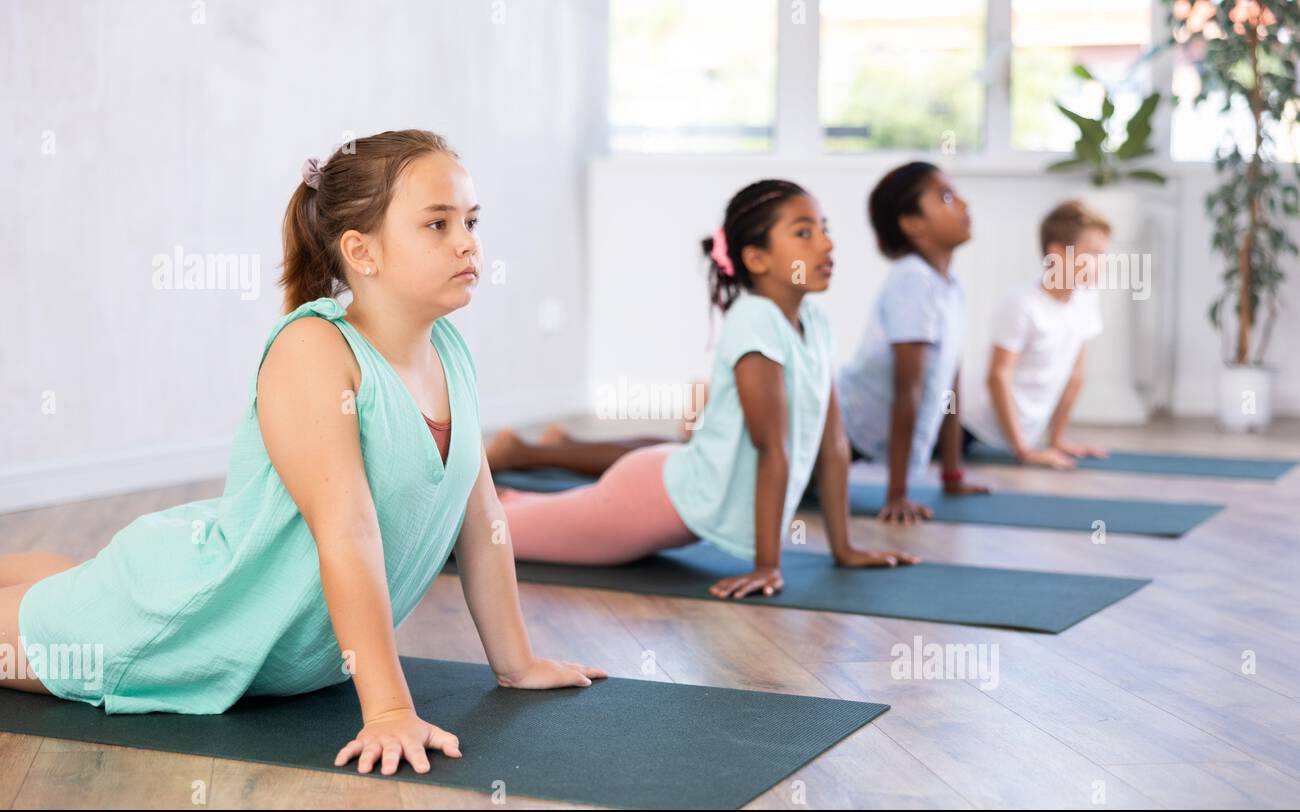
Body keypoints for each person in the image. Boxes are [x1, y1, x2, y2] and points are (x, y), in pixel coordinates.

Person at [0, 129, 605, 778]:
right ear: (361, 251)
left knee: (65, 582)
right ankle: (82, 598)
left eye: (471, 220)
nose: (467, 241)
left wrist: (517, 663)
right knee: (63, 606)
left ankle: (74, 588)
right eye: (437, 223)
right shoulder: (314, 350)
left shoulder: (450, 353)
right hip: (182, 629)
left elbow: (482, 524)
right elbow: (348, 530)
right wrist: (389, 709)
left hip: (284, 656)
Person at [494, 179, 919, 601]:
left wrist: (844, 550)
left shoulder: (816, 323)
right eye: (804, 232)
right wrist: (768, 565)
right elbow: (771, 447)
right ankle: (465, 497)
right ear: (756, 258)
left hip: (674, 484)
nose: (826, 244)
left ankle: (512, 497)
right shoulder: (755, 320)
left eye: (825, 228)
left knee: (522, 518)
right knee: (486, 538)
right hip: (651, 501)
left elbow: (834, 446)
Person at [836, 162, 990, 526]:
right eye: (947, 197)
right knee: (760, 476)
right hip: (833, 427)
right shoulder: (912, 282)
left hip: (856, 437)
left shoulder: (951, 286)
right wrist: (897, 495)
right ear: (912, 223)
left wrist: (952, 476)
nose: (964, 204)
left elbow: (950, 383)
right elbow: (908, 389)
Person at [963, 200, 1112, 469]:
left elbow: (1076, 376)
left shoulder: (1086, 299)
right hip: (967, 422)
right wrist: (1023, 450)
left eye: (1104, 254)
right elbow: (998, 377)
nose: (1102, 263)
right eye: (1093, 253)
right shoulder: (1022, 304)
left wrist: (1056, 439)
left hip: (1015, 432)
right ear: (1056, 254)